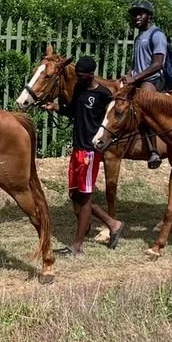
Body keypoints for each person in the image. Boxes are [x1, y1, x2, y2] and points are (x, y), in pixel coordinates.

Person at [45, 56, 124, 257]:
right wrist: (55, 107)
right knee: (75, 194)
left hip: (90, 152)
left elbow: (113, 119)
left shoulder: (104, 95)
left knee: (85, 197)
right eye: (77, 75)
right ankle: (113, 224)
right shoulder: (80, 90)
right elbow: (72, 111)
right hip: (77, 149)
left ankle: (77, 246)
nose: (78, 78)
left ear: (90, 74)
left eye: (82, 75)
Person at [119, 0, 167, 169]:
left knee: (143, 104)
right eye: (135, 15)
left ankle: (154, 151)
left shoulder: (157, 35)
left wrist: (137, 77)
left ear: (149, 16)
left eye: (141, 14)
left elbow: (158, 63)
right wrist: (128, 75)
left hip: (153, 79)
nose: (137, 17)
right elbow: (136, 62)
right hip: (139, 78)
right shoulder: (140, 37)